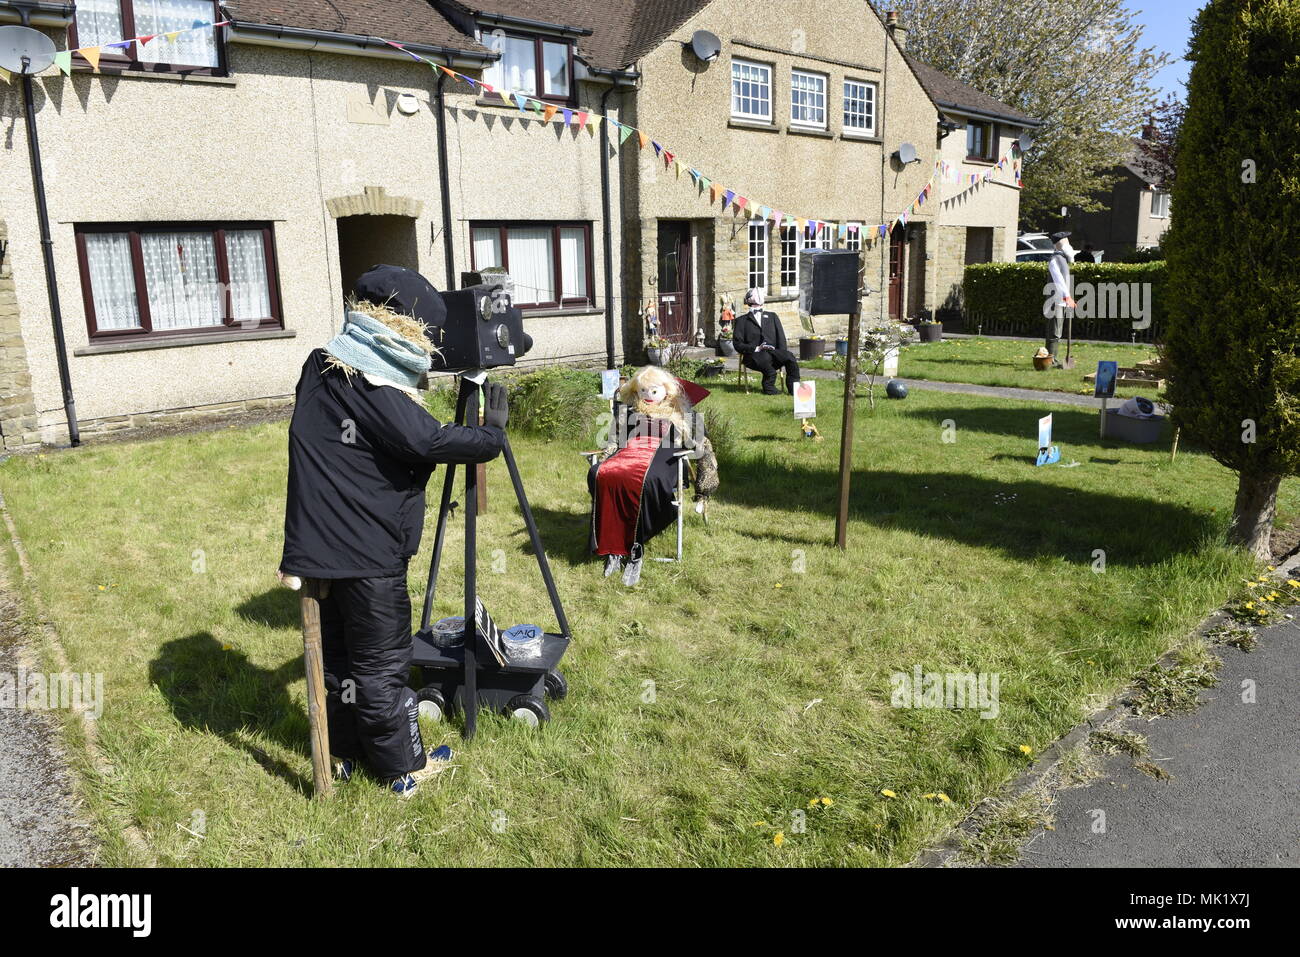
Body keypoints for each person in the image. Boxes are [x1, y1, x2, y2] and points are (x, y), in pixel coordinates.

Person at [279, 266, 508, 797]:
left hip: (321, 546)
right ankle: (402, 769)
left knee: (341, 663)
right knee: (381, 665)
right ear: (398, 326)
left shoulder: (323, 364)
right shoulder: (368, 381)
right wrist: (489, 438)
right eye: (423, 334)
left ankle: (345, 753)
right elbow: (425, 440)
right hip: (366, 551)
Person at [587, 366, 715, 586]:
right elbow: (614, 441)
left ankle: (636, 543)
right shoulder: (628, 412)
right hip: (628, 453)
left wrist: (703, 488)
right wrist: (606, 456)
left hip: (665, 455)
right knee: (601, 473)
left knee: (649, 480)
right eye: (643, 391)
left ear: (666, 391)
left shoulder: (680, 413)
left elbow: (701, 445)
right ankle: (614, 545)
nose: (647, 396)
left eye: (653, 391)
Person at [733, 288, 801, 394]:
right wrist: (756, 348)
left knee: (790, 358)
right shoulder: (741, 321)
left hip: (773, 353)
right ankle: (769, 388)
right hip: (754, 355)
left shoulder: (772, 316)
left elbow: (781, 338)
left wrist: (782, 354)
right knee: (769, 369)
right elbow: (737, 344)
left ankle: (794, 389)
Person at [1045, 231, 1077, 368]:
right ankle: (1051, 360)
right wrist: (1067, 296)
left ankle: (1053, 359)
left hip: (1061, 300)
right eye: (1067, 242)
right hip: (1055, 300)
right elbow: (1058, 280)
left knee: (1057, 330)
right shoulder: (1055, 259)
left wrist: (1068, 297)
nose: (1070, 245)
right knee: (1054, 331)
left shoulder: (1062, 259)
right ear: (1061, 244)